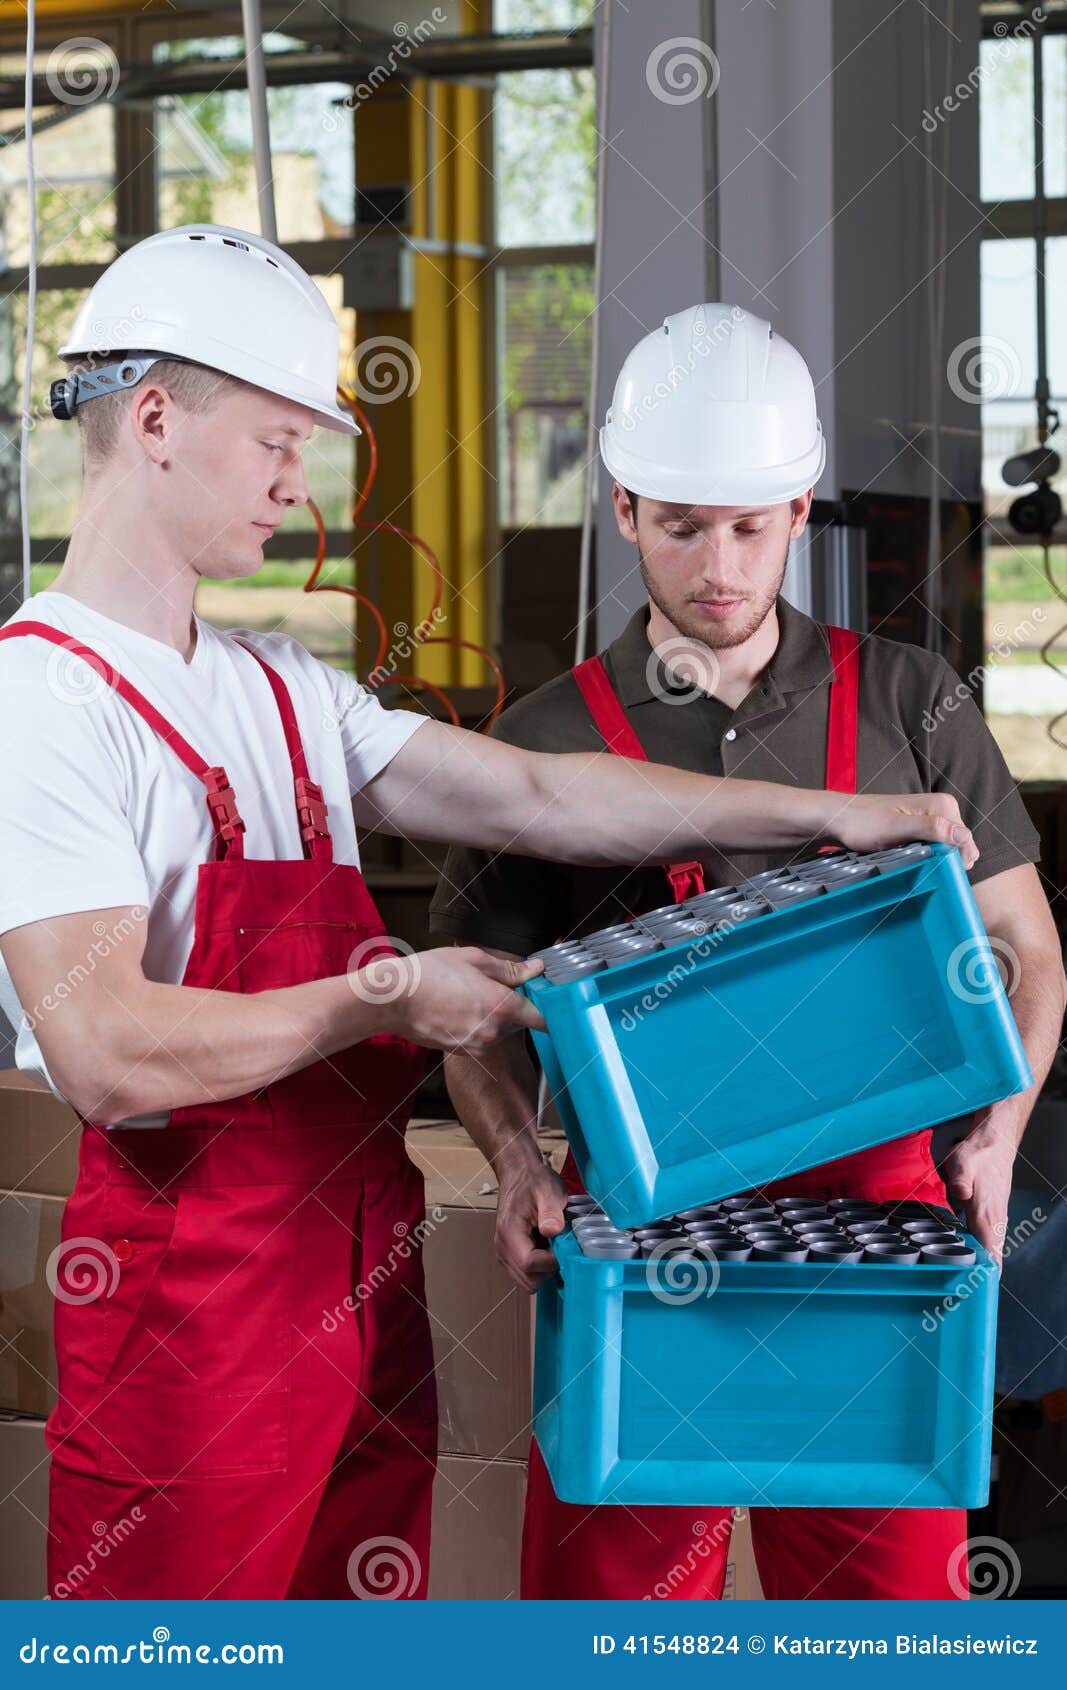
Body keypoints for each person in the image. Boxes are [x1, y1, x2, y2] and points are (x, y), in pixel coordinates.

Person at [0, 242, 965, 1603]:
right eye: (278, 439)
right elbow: (105, 1049)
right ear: (153, 420)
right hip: (191, 1305)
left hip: (358, 1269)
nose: (298, 480)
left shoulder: (279, 687)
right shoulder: (44, 704)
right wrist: (385, 997)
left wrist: (832, 817)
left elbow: (536, 791)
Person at [429, 302, 1066, 1601]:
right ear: (620, 508)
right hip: (636, 1246)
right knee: (619, 1632)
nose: (718, 564)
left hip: (880, 1237)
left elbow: (1029, 953)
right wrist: (510, 1160)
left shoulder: (910, 702)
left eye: (750, 524)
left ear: (800, 507)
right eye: (679, 524)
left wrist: (998, 1135)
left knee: (890, 1633)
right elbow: (470, 1014)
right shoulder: (544, 741)